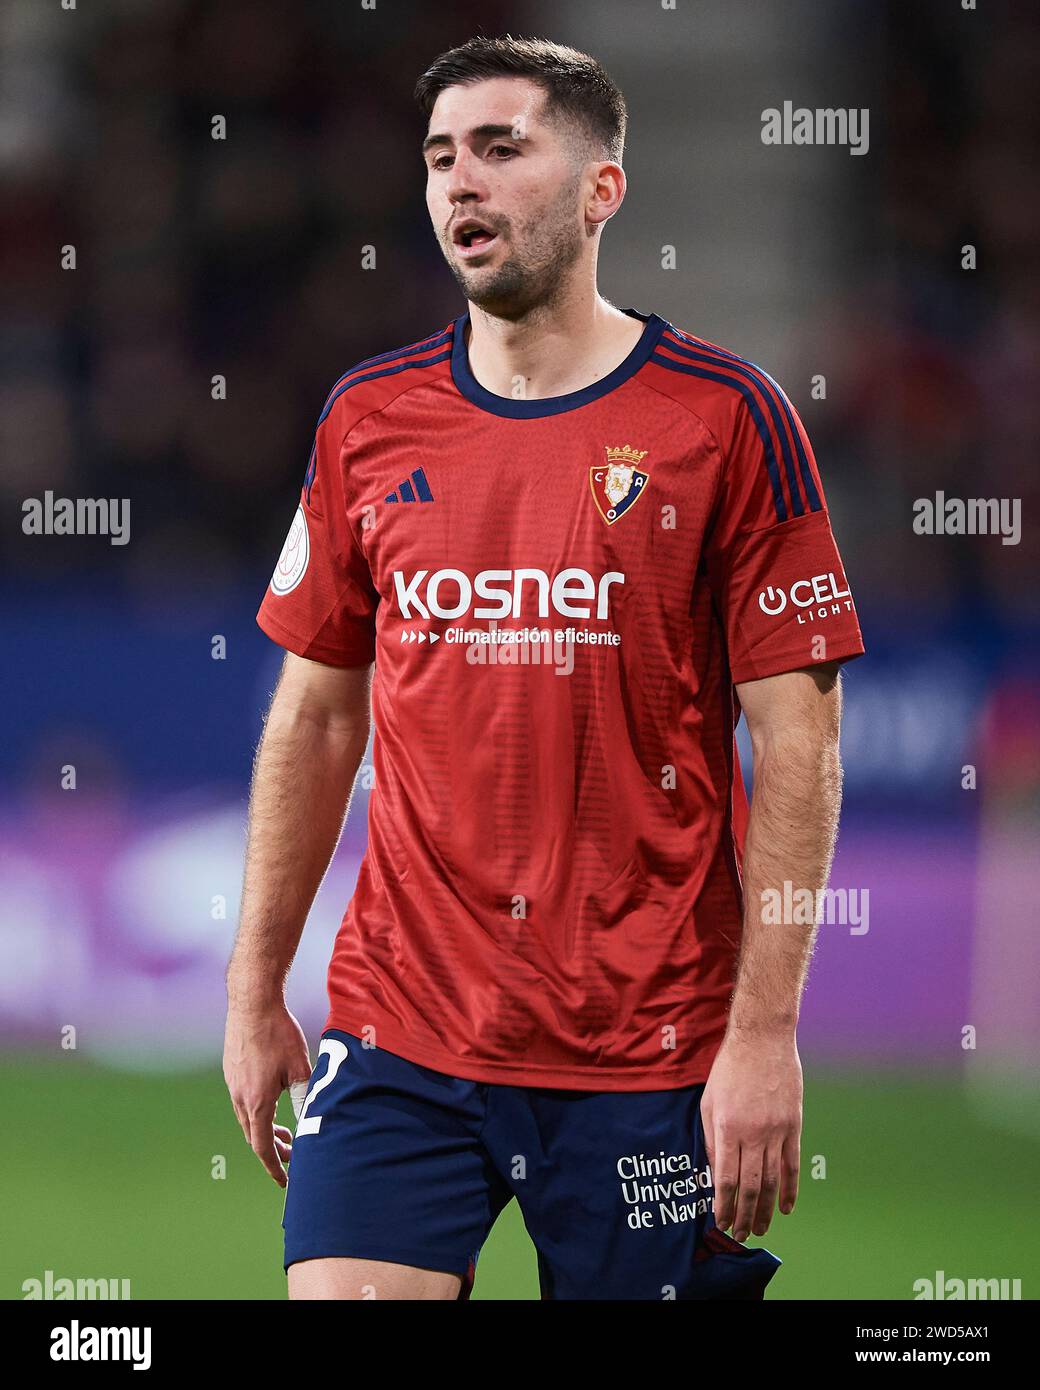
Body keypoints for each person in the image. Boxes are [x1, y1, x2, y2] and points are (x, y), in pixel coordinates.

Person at [223, 34, 865, 1301]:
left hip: (648, 1044)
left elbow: (797, 742)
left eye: (501, 149)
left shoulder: (725, 420)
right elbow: (310, 722)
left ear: (598, 189)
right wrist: (254, 992)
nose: (460, 182)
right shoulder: (367, 418)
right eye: (439, 157)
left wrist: (763, 1037)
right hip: (403, 1025)